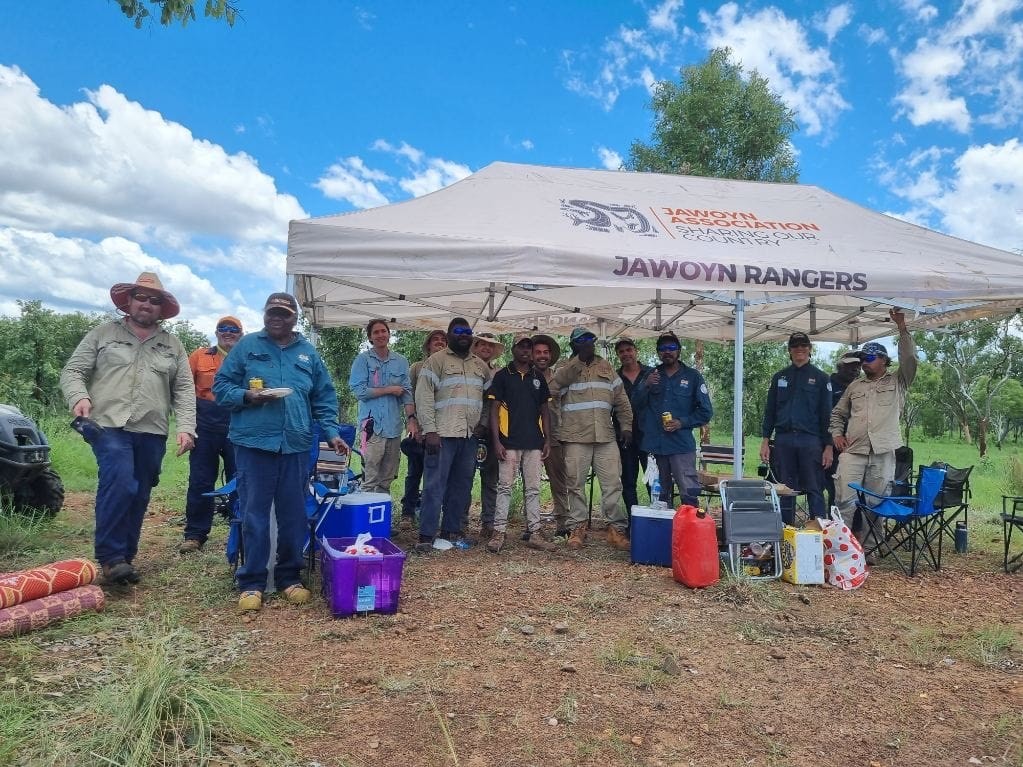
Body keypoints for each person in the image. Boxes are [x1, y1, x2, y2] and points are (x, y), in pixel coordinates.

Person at [59, 272, 196, 585]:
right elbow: (73, 370)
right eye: (141, 297)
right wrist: (79, 396)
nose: (146, 304)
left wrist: (186, 428)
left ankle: (125, 557)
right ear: (129, 301)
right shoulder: (103, 334)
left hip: (152, 429)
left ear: (162, 308)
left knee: (140, 491)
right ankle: (110, 557)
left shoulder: (172, 345)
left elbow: (185, 390)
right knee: (120, 481)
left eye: (154, 300)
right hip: (107, 424)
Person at [213, 292, 347, 612]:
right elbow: (221, 388)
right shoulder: (247, 347)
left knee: (294, 515)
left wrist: (331, 433)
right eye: (272, 312)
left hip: (296, 444)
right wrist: (247, 396)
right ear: (265, 314)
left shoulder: (308, 355)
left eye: (284, 314)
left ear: (294, 318)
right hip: (253, 442)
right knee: (254, 514)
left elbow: (324, 399)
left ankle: (290, 577)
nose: (277, 318)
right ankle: (252, 582)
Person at [830, 309, 918, 542]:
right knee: (844, 501)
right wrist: (837, 434)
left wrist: (901, 327)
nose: (864, 363)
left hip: (882, 452)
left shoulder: (898, 381)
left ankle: (871, 549)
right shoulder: (855, 386)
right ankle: (842, 547)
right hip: (854, 451)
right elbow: (838, 413)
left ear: (883, 361)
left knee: (875, 504)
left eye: (869, 358)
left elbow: (909, 359)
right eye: (863, 359)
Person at [552, 327, 633, 551]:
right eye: (582, 341)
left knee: (613, 484)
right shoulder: (564, 368)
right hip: (575, 435)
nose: (588, 344)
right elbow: (553, 390)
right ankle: (577, 528)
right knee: (575, 483)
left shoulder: (606, 367)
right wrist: (579, 361)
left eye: (591, 340)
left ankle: (616, 530)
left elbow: (622, 401)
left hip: (605, 436)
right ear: (573, 345)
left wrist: (626, 427)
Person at [415, 317, 491, 552]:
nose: (463, 334)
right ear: (449, 335)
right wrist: (430, 431)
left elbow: (489, 399)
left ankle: (450, 531)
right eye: (458, 331)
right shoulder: (435, 362)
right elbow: (424, 397)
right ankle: (426, 535)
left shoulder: (480, 365)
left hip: (469, 437)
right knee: (434, 486)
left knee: (461, 485)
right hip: (442, 434)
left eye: (467, 331)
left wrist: (483, 423)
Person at [179, 316, 243, 554]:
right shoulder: (199, 356)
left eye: (233, 329)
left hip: (238, 425)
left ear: (241, 333)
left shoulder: (247, 357)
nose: (228, 332)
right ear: (216, 333)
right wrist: (186, 427)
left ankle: (242, 529)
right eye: (223, 329)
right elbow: (183, 388)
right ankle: (195, 534)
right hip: (204, 425)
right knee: (201, 480)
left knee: (241, 479)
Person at [486, 334, 555, 553]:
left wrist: (548, 440)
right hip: (508, 442)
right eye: (521, 347)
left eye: (529, 347)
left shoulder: (538, 377)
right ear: (513, 350)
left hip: (534, 442)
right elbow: (494, 410)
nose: (526, 351)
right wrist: (496, 441)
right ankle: (499, 533)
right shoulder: (502, 376)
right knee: (505, 487)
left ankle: (534, 532)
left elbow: (545, 410)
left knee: (533, 488)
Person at [760, 332, 834, 524]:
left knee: (814, 487)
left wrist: (828, 447)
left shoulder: (821, 378)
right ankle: (786, 533)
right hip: (784, 439)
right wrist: (766, 440)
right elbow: (770, 410)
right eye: (795, 346)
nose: (799, 349)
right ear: (789, 351)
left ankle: (818, 533)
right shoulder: (779, 377)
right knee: (785, 488)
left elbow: (827, 415)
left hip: (810, 440)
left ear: (810, 349)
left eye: (803, 346)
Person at [633, 332, 713, 508]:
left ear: (679, 351)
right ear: (658, 352)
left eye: (671, 348)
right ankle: (664, 532)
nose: (667, 352)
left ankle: (689, 531)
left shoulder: (693, 377)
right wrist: (646, 385)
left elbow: (706, 412)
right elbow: (635, 404)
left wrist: (681, 422)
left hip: (680, 446)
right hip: (656, 447)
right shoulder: (650, 375)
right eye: (662, 349)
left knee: (688, 491)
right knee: (659, 494)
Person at [349, 319, 416, 496]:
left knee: (387, 479)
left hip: (394, 428)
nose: (380, 335)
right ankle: (365, 521)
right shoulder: (362, 360)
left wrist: (411, 419)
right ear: (370, 337)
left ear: (389, 334)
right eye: (376, 332)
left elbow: (407, 392)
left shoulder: (401, 361)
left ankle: (381, 519)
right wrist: (390, 390)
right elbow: (359, 391)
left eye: (383, 331)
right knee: (369, 478)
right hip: (371, 428)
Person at [399, 329, 447, 531]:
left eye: (443, 340)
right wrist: (413, 423)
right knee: (414, 472)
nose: (439, 343)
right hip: (420, 428)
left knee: (435, 475)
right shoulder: (417, 367)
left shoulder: (449, 367)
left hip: (443, 429)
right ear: (427, 345)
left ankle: (431, 514)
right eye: (435, 340)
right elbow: (409, 397)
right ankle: (408, 513)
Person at [531, 334, 570, 535]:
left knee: (558, 480)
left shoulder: (559, 378)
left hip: (554, 436)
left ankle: (563, 523)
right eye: (538, 352)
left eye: (546, 352)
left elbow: (567, 407)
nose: (542, 356)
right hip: (528, 437)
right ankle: (532, 525)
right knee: (531, 483)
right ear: (531, 355)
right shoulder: (524, 376)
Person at [470, 331, 505, 539]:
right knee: (464, 477)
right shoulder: (467, 369)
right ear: (474, 347)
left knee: (491, 478)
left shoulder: (498, 373)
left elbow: (493, 403)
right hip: (468, 430)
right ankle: (460, 521)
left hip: (492, 431)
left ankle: (489, 522)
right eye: (482, 344)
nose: (486, 348)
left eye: (490, 346)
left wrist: (486, 424)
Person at [613, 338, 652, 524]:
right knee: (628, 482)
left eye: (629, 349)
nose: (626, 354)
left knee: (653, 481)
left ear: (636, 351)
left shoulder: (651, 374)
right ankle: (634, 522)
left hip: (649, 437)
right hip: (624, 438)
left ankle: (656, 519)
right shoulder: (614, 377)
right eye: (621, 351)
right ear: (617, 355)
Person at [825, 352, 862, 510]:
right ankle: (834, 528)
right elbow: (824, 416)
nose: (855, 370)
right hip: (832, 447)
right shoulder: (827, 385)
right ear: (840, 366)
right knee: (836, 489)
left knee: (855, 490)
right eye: (851, 366)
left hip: (856, 447)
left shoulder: (861, 386)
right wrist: (828, 443)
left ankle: (855, 530)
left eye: (858, 367)